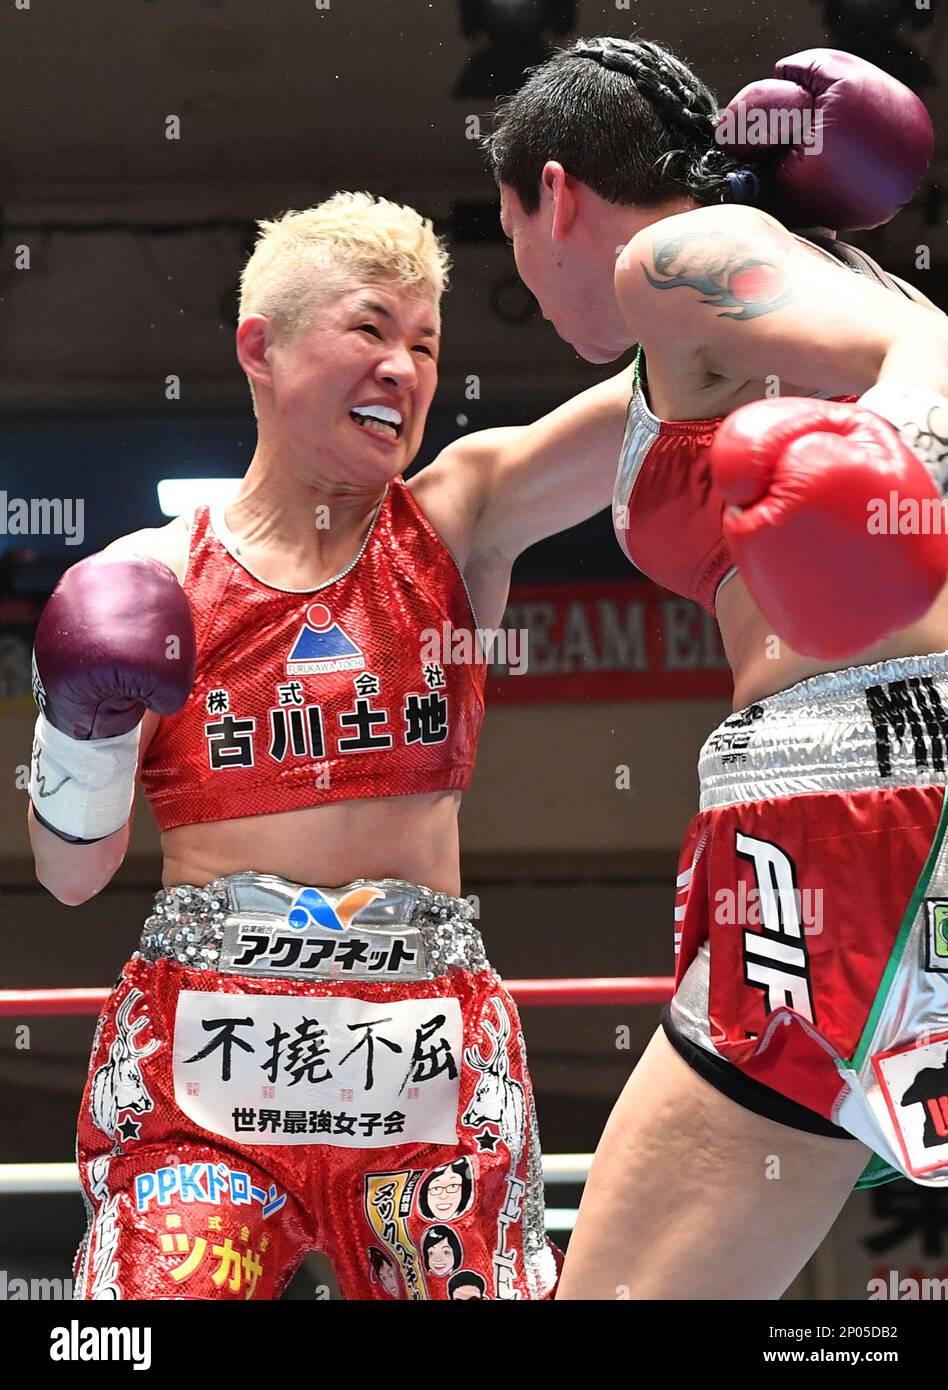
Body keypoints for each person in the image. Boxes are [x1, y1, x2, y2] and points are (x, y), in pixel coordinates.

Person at [30, 191, 642, 1301]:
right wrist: (80, 730)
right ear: (259, 348)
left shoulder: (459, 517)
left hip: (426, 1063)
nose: (404, 369)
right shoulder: (153, 579)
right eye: (370, 328)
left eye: (426, 345)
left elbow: (660, 402)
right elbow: (72, 878)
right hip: (208, 1072)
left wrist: (757, 242)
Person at [484, 36, 948, 1298]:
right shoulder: (700, 347)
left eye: (509, 231)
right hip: (857, 809)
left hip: (865, 802)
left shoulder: (675, 260)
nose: (523, 276)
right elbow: (487, 491)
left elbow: (929, 362)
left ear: (555, 195)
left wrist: (886, 489)